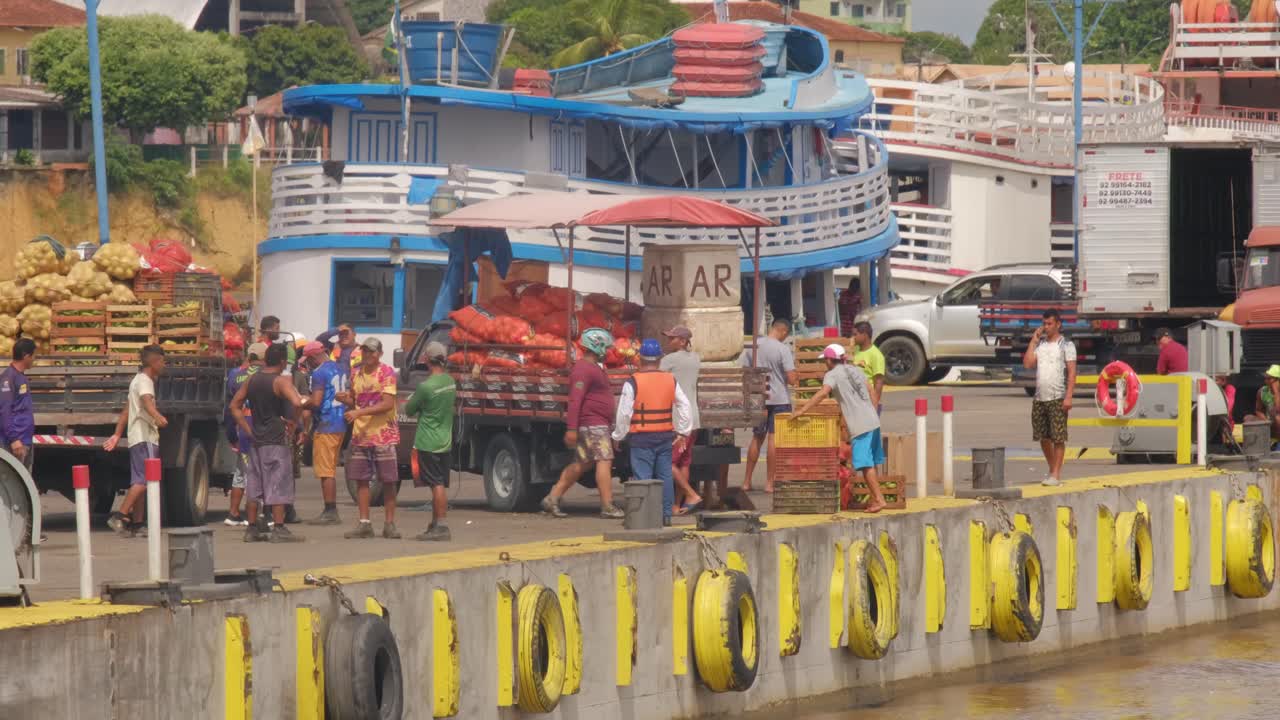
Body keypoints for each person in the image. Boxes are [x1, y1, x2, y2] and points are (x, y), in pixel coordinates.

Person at [541, 327, 625, 519]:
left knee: (582, 463)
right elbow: (575, 400)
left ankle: (552, 498)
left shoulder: (593, 368)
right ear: (599, 347)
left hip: (595, 424)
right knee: (604, 460)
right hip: (593, 425)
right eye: (607, 348)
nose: (609, 352)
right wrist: (571, 429)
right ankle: (607, 505)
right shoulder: (583, 370)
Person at [230, 343, 310, 542]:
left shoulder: (252, 380)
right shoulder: (281, 381)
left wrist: (247, 429)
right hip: (275, 439)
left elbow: (234, 406)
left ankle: (252, 529)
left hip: (256, 439)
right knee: (279, 482)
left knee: (254, 485)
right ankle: (279, 528)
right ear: (283, 361)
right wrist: (294, 422)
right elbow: (297, 402)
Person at [793, 343, 886, 513]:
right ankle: (875, 499)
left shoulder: (832, 375)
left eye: (825, 360)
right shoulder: (855, 369)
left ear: (829, 359)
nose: (824, 363)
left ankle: (879, 500)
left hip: (860, 426)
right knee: (871, 462)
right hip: (872, 421)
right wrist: (871, 411)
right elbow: (871, 390)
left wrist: (803, 410)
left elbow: (823, 393)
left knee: (865, 465)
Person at [614, 338, 694, 525]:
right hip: (665, 435)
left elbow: (624, 413)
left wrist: (618, 435)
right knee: (665, 477)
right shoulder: (670, 379)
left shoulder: (633, 382)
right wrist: (683, 432)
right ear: (659, 359)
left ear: (640, 359)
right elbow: (685, 405)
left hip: (641, 437)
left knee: (643, 478)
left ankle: (645, 518)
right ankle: (665, 516)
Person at [104, 345, 169, 537]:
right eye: (163, 361)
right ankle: (120, 515)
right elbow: (147, 402)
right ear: (154, 362)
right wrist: (159, 417)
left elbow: (126, 410)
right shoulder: (145, 381)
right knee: (144, 480)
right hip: (145, 437)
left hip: (136, 437)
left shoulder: (136, 381)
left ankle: (138, 523)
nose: (164, 365)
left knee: (140, 482)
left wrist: (117, 435)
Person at [341, 337, 403, 539]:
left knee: (388, 481)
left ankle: (390, 523)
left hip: (383, 435)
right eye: (365, 351)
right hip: (361, 436)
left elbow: (387, 404)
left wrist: (359, 413)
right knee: (361, 480)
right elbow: (355, 400)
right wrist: (344, 400)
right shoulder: (355, 373)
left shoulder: (386, 372)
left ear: (380, 354)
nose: (368, 355)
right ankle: (364, 523)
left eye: (372, 351)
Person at [404, 341, 456, 541]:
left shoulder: (426, 387)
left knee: (436, 484)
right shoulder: (450, 382)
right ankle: (435, 524)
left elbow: (409, 410)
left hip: (428, 441)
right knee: (439, 483)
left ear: (426, 359)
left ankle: (441, 525)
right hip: (444, 440)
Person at [741, 319, 797, 493]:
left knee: (757, 438)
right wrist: (797, 376)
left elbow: (744, 371)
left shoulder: (753, 347)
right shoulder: (783, 349)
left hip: (759, 399)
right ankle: (769, 483)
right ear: (783, 331)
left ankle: (746, 481)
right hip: (779, 400)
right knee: (774, 440)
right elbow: (792, 379)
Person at [1024, 309, 1077, 487]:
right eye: (1044, 324)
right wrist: (1033, 341)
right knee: (1043, 436)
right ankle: (1052, 468)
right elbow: (1028, 364)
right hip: (1040, 397)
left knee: (1058, 437)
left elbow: (1071, 372)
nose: (1046, 327)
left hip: (1057, 396)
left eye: (1049, 324)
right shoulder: (1041, 345)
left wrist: (1068, 396)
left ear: (1058, 324)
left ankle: (1055, 473)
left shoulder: (1066, 345)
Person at [302, 341, 346, 525]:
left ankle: (330, 510)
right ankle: (330, 509)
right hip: (341, 421)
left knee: (325, 470)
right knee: (330, 468)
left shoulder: (319, 372)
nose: (308, 364)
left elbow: (317, 401)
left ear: (312, 357)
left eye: (308, 360)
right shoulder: (340, 368)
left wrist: (303, 401)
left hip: (327, 423)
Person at [659, 326, 703, 513]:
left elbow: (657, 381)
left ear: (683, 341)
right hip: (694, 417)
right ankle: (677, 504)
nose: (669, 342)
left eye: (673, 339)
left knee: (667, 462)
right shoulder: (695, 358)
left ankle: (691, 494)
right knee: (683, 462)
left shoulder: (668, 360)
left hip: (678, 420)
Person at [222, 342, 266, 526]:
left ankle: (233, 514)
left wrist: (231, 435)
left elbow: (230, 407)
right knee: (256, 475)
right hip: (257, 430)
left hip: (240, 430)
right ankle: (256, 516)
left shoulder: (235, 376)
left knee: (240, 473)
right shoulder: (263, 377)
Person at [0, 338, 36, 474]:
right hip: (15, 442)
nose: (34, 359)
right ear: (26, 356)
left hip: (24, 440)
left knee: (24, 483)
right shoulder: (8, 378)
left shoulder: (20, 376)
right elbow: (5, 411)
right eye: (33, 356)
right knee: (11, 483)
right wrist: (14, 439)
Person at [851, 321, 886, 413]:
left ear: (865, 335)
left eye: (855, 334)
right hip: (856, 401)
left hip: (869, 402)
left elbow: (878, 382)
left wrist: (874, 404)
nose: (853, 337)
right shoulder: (855, 350)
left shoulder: (876, 355)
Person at [1246, 364, 1280, 441]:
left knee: (1278, 418)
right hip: (1269, 422)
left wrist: (1276, 392)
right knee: (1248, 418)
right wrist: (1265, 420)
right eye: (1265, 378)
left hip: (1278, 422)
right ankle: (1259, 444)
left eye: (1269, 379)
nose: (1266, 381)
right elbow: (1258, 410)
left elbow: (1278, 410)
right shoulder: (1262, 391)